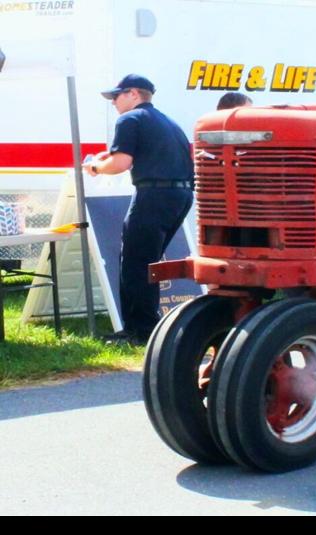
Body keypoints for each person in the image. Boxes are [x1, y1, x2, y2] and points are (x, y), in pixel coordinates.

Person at [82, 75, 192, 345]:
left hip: (153, 195)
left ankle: (139, 331)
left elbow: (120, 162)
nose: (114, 104)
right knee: (149, 261)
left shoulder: (129, 119)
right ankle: (147, 325)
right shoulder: (168, 122)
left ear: (133, 94)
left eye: (116, 97)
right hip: (181, 195)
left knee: (135, 262)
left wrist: (95, 167)